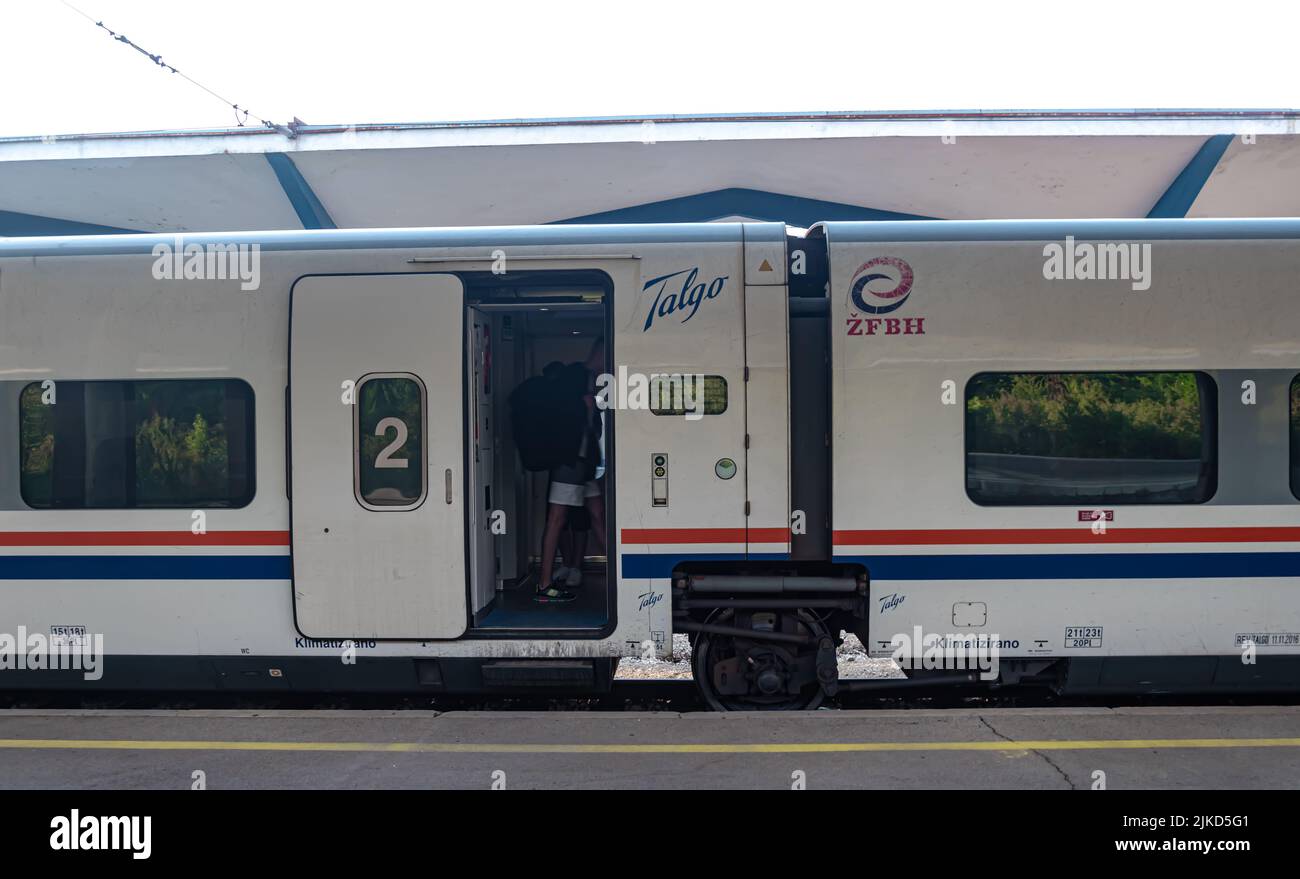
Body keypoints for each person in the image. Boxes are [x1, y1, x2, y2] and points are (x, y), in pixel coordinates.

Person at [536, 345, 606, 603]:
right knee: (557, 519)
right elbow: (573, 423)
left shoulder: (585, 379)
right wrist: (588, 411)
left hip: (583, 464)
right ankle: (544, 584)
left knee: (597, 516)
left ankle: (621, 575)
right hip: (570, 462)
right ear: (599, 352)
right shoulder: (576, 378)